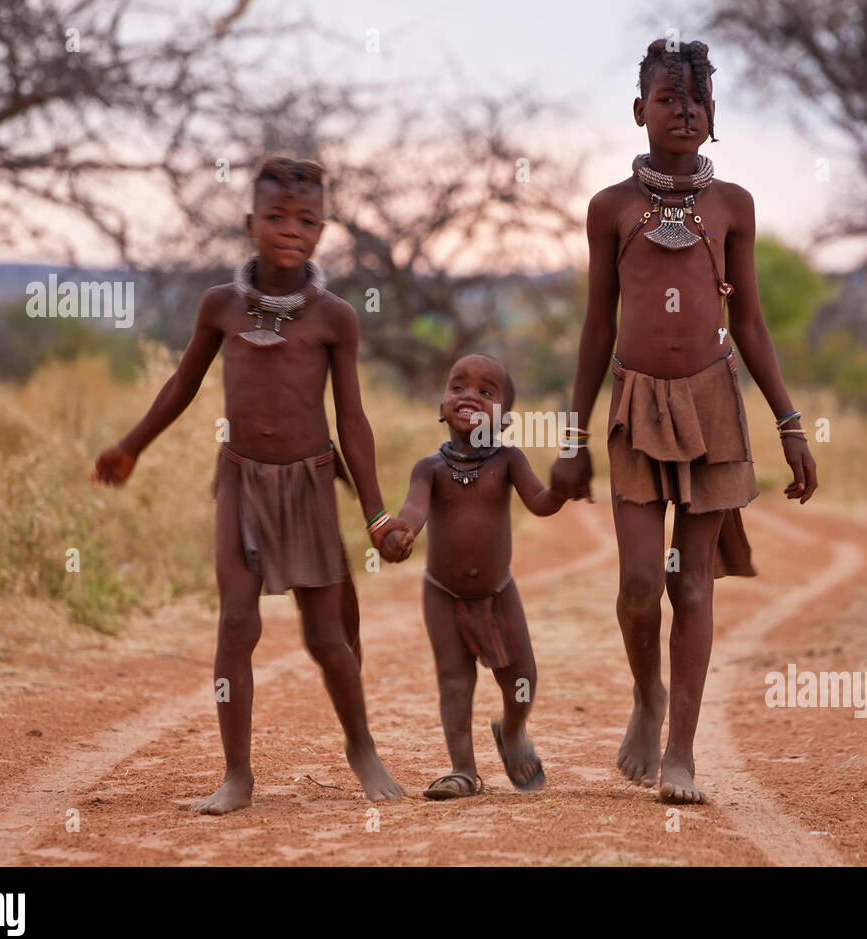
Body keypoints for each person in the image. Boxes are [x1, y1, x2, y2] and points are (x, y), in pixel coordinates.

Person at [93, 157, 409, 812]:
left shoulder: (334, 318)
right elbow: (181, 386)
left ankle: (362, 748)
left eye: (307, 220)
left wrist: (376, 515)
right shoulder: (222, 306)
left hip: (312, 484)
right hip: (240, 480)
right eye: (275, 217)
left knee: (326, 636)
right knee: (237, 622)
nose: (291, 230)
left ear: (323, 230)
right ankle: (237, 774)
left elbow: (351, 420)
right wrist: (131, 447)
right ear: (249, 223)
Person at [549, 39, 819, 804]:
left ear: (714, 115)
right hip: (636, 406)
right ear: (640, 111)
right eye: (668, 98)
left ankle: (681, 755)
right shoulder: (611, 208)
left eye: (697, 100)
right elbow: (597, 328)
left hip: (712, 407)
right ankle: (646, 695)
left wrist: (791, 423)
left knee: (692, 588)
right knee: (641, 582)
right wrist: (573, 440)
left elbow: (755, 326)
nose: (684, 110)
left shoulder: (733, 206)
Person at [382, 354, 565, 798]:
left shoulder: (509, 460)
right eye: (458, 387)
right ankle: (463, 771)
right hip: (441, 593)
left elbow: (539, 502)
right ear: (441, 404)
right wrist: (401, 533)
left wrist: (564, 484)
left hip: (497, 592)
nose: (469, 396)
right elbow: (413, 509)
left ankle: (515, 731)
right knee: (454, 680)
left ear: (504, 418)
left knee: (522, 675)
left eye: (487, 392)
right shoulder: (429, 469)